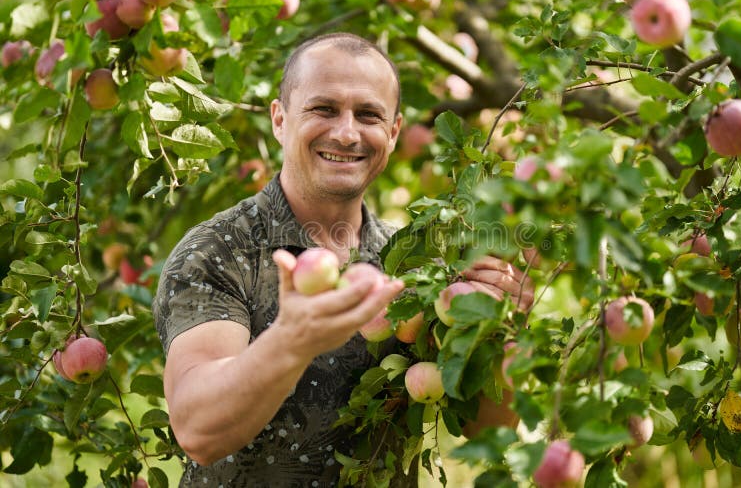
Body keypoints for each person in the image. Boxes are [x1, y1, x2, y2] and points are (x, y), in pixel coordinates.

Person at [152, 32, 535, 487]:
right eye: (323, 109)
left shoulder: (415, 263)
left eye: (368, 115)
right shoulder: (219, 252)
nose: (347, 132)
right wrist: (291, 341)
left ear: (393, 133)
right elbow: (198, 430)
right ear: (279, 119)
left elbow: (488, 429)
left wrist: (500, 332)